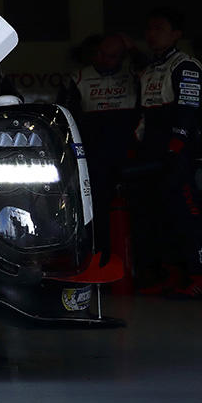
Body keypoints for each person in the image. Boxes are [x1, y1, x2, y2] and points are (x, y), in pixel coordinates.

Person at [133, 7, 202, 297]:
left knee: (186, 211)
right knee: (157, 213)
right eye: (149, 28)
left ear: (176, 34)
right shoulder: (149, 69)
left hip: (178, 149)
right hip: (152, 150)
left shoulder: (186, 65)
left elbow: (188, 111)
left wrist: (177, 146)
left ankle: (199, 276)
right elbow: (143, 115)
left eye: (159, 28)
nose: (151, 34)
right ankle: (171, 275)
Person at [60, 33, 138, 257]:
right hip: (95, 155)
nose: (104, 59)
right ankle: (100, 254)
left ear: (122, 57)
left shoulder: (134, 75)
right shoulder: (78, 78)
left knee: (137, 206)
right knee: (97, 206)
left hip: (129, 153)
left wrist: (133, 49)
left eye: (111, 56)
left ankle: (137, 259)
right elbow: (66, 117)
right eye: (101, 53)